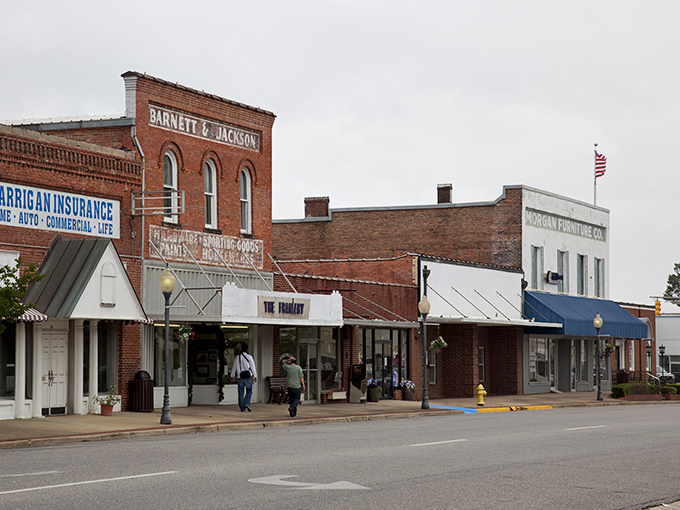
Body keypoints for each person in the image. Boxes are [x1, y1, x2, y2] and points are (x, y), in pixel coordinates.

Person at [231, 344, 257, 412]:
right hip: (248, 376)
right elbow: (253, 367)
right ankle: (247, 403)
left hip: (240, 376)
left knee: (241, 392)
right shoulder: (249, 357)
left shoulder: (238, 357)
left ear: (241, 349)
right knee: (249, 391)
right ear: (247, 349)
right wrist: (255, 375)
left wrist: (233, 375)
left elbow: (234, 367)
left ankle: (242, 408)